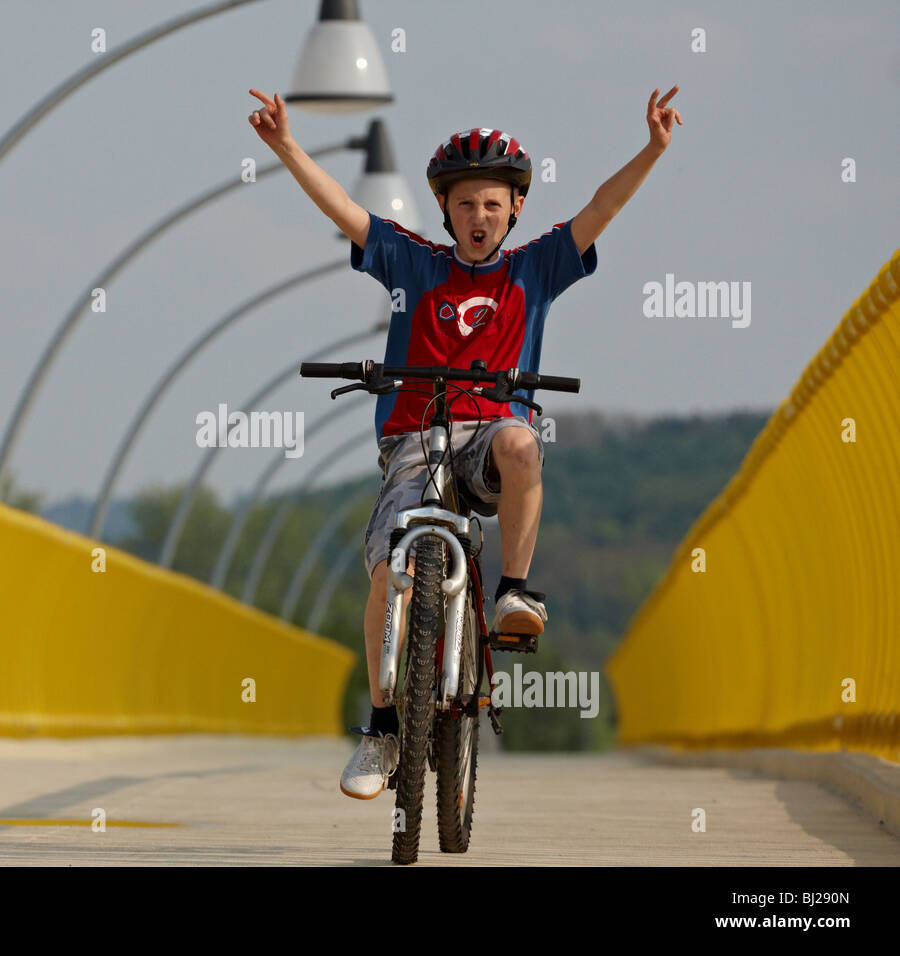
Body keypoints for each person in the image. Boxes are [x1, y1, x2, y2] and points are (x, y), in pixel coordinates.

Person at [247, 86, 682, 799]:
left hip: (489, 437)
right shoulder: (412, 262)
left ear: (515, 210)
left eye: (493, 203)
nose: (479, 216)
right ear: (444, 209)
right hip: (418, 438)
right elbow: (347, 213)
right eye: (465, 203)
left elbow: (600, 209)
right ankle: (382, 727)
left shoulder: (533, 270)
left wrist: (654, 149)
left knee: (521, 441)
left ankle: (514, 591)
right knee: (390, 565)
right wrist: (288, 147)